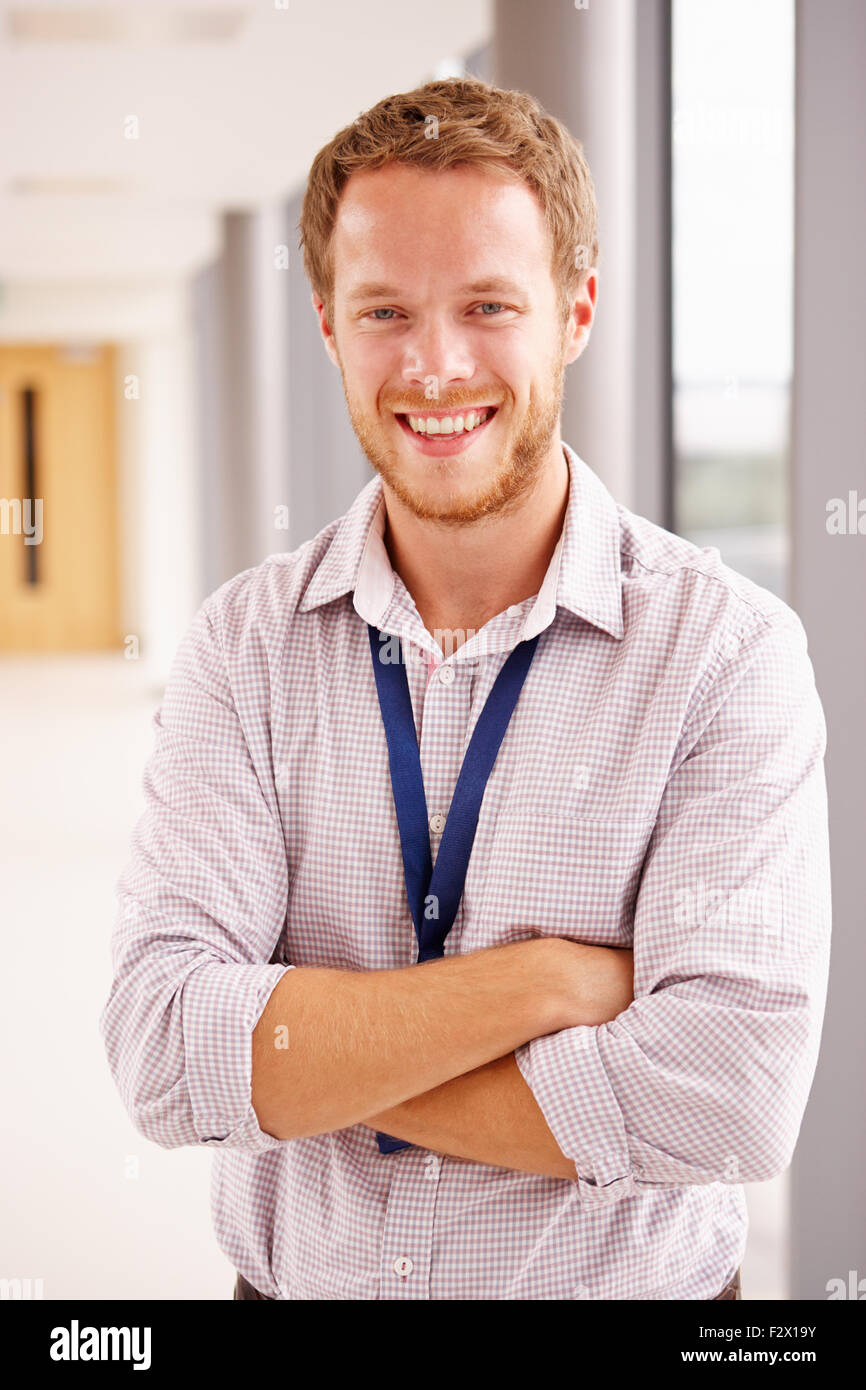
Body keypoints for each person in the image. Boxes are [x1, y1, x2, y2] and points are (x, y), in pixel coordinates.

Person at [100, 77, 830, 1301]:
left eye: (487, 305)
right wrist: (541, 985)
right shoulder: (241, 646)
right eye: (385, 309)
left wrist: (310, 1067)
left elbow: (730, 1097)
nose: (433, 367)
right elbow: (167, 1053)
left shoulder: (726, 654)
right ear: (329, 324)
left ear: (575, 311)